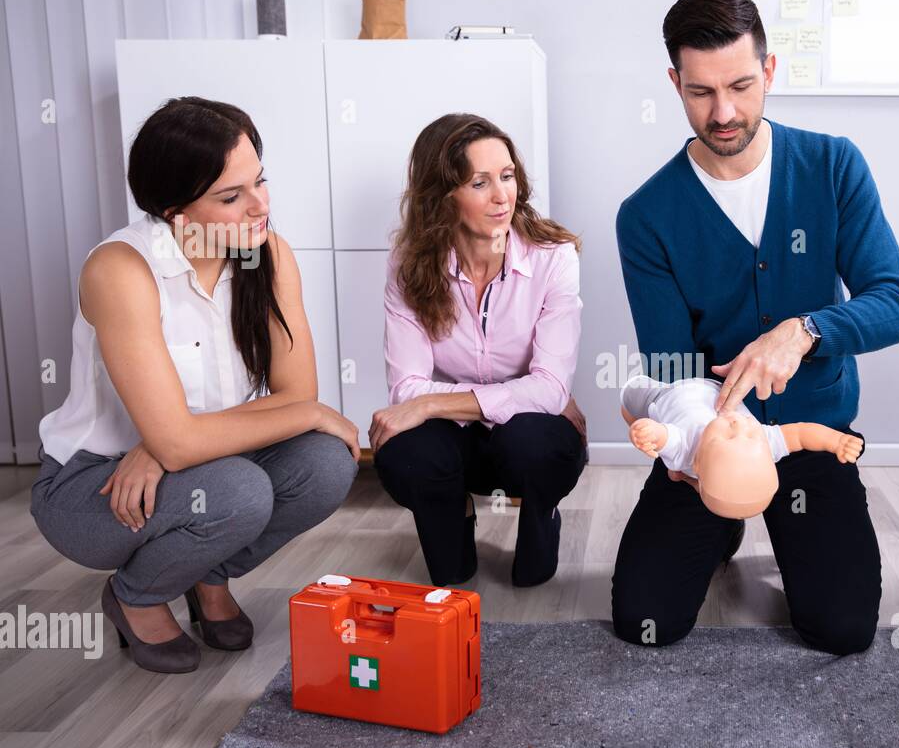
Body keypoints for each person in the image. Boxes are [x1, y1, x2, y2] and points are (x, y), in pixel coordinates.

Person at [612, 0, 899, 655]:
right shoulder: (646, 216)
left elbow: (896, 302)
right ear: (674, 82)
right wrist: (690, 454)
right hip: (709, 444)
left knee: (840, 629)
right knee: (647, 620)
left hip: (808, 439)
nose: (723, 112)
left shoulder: (833, 164)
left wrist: (806, 330)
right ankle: (724, 522)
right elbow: (669, 367)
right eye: (699, 92)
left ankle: (782, 516)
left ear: (771, 71)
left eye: (742, 85)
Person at [30, 97, 360, 675]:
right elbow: (254, 421)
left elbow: (293, 396)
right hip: (92, 485)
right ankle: (136, 595)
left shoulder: (268, 256)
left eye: (260, 182)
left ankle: (208, 574)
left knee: (327, 463)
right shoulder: (121, 270)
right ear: (174, 211)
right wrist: (171, 444)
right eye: (231, 197)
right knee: (239, 490)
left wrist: (164, 446)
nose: (260, 206)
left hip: (204, 461)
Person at [371, 113, 587, 588]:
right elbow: (405, 386)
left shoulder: (554, 257)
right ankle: (456, 515)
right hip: (455, 438)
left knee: (535, 445)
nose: (501, 196)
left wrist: (432, 401)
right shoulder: (408, 265)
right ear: (442, 195)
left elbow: (550, 391)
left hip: (525, 438)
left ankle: (541, 513)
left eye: (507, 177)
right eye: (479, 182)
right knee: (404, 451)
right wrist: (519, 393)